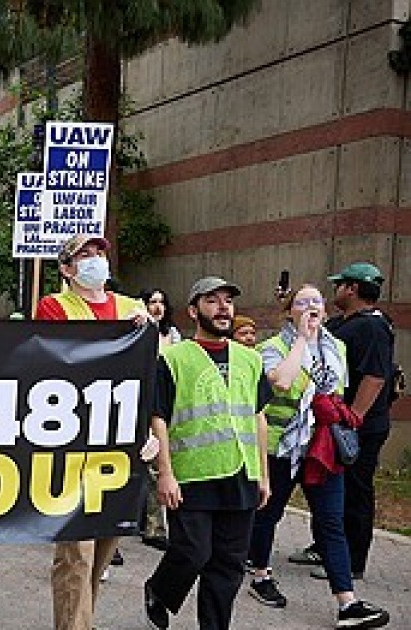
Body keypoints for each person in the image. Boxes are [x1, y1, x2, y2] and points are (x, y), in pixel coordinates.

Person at [244, 284, 390, 628]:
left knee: (331, 521)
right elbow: (281, 382)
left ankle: (347, 603)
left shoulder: (337, 347)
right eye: (302, 302)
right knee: (268, 514)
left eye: (317, 302)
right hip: (281, 448)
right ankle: (260, 575)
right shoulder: (271, 348)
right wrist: (301, 340)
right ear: (289, 312)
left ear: (325, 311)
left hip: (322, 449)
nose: (311, 307)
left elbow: (336, 391)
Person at [35, 234, 150, 630]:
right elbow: (62, 359)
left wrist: (146, 333)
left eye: (99, 252)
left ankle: (82, 620)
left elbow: (148, 372)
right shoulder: (54, 306)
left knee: (103, 548)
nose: (95, 259)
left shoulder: (132, 308)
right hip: (73, 442)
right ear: (67, 269)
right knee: (76, 554)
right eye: (83, 255)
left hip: (119, 443)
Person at [144, 277, 271, 630]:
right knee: (192, 553)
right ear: (193, 311)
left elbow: (258, 418)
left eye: (227, 300)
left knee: (228, 566)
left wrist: (263, 474)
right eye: (212, 300)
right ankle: (159, 590)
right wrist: (165, 473)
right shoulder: (172, 359)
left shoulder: (251, 360)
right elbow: (158, 417)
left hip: (241, 474)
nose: (223, 307)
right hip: (192, 474)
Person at [291, 264, 397, 584]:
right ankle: (325, 547)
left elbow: (375, 377)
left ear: (352, 288)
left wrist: (353, 419)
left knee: (354, 491)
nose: (334, 290)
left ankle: (351, 561)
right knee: (327, 487)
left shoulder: (373, 327)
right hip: (332, 422)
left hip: (357, 426)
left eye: (339, 285)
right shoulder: (343, 323)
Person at [138, 288, 181, 551]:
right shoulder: (138, 332)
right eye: (152, 302)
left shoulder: (173, 335)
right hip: (140, 402)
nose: (157, 307)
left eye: (161, 302)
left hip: (164, 403)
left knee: (158, 462)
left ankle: (155, 526)